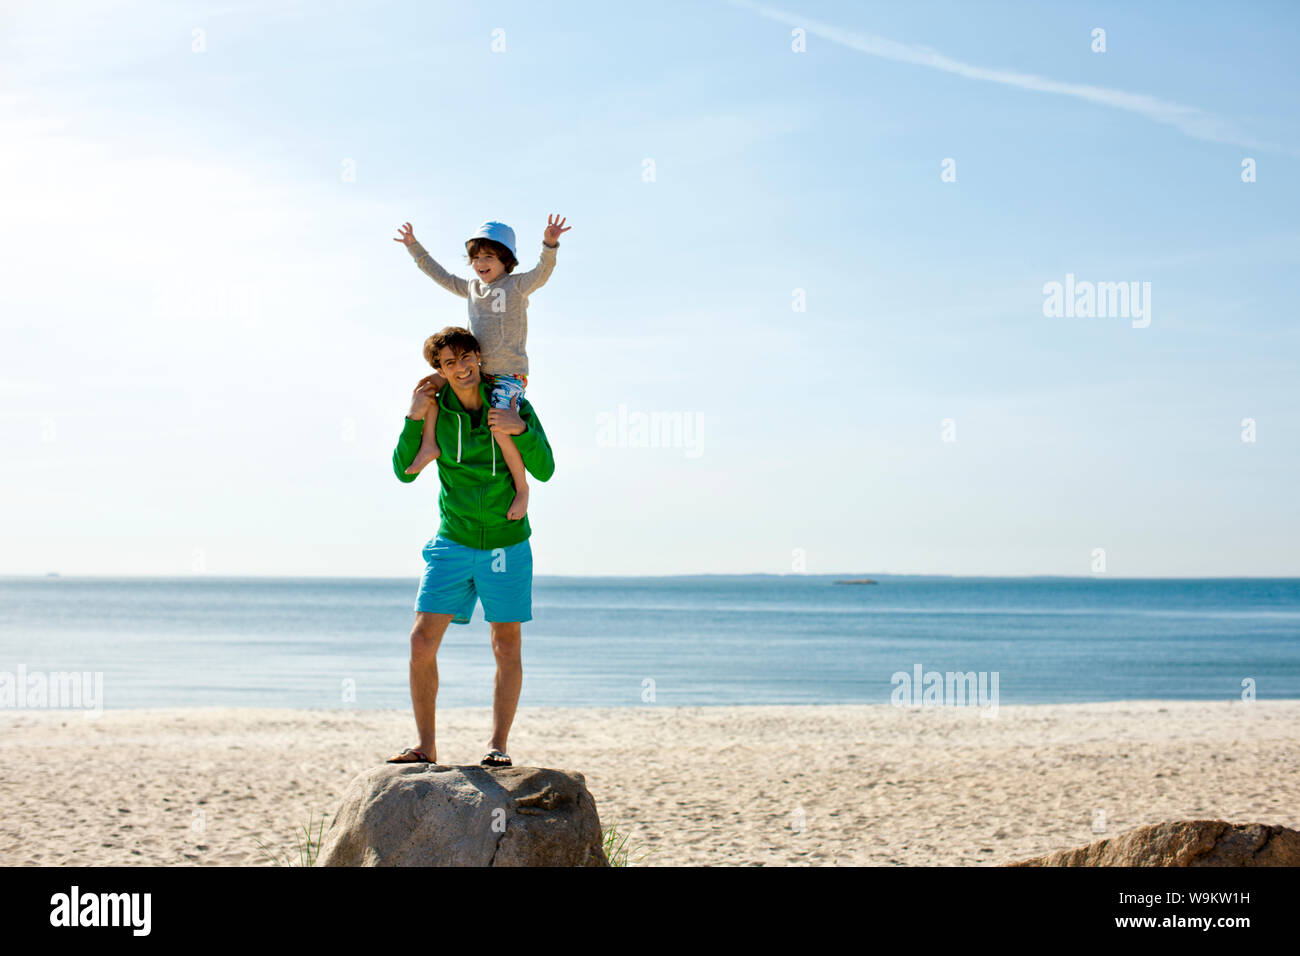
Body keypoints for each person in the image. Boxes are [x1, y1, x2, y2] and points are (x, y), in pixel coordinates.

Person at [386, 326, 555, 768]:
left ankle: (497, 745)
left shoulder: (509, 402)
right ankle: (425, 745)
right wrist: (412, 414)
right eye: (447, 363)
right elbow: (405, 470)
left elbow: (546, 469)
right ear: (438, 369)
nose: (459, 369)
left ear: (478, 357)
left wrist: (522, 430)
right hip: (453, 541)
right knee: (421, 641)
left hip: (506, 543)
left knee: (506, 644)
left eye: (465, 358)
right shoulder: (435, 408)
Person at [393, 215, 570, 522]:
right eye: (475, 258)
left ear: (505, 259)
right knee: (429, 387)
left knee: (499, 425)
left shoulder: (516, 286)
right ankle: (430, 444)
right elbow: (442, 276)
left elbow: (542, 273)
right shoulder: (473, 289)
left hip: (507, 375)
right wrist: (414, 247)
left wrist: (549, 244)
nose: (480, 263)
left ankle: (522, 487)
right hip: (476, 370)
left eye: (488, 257)